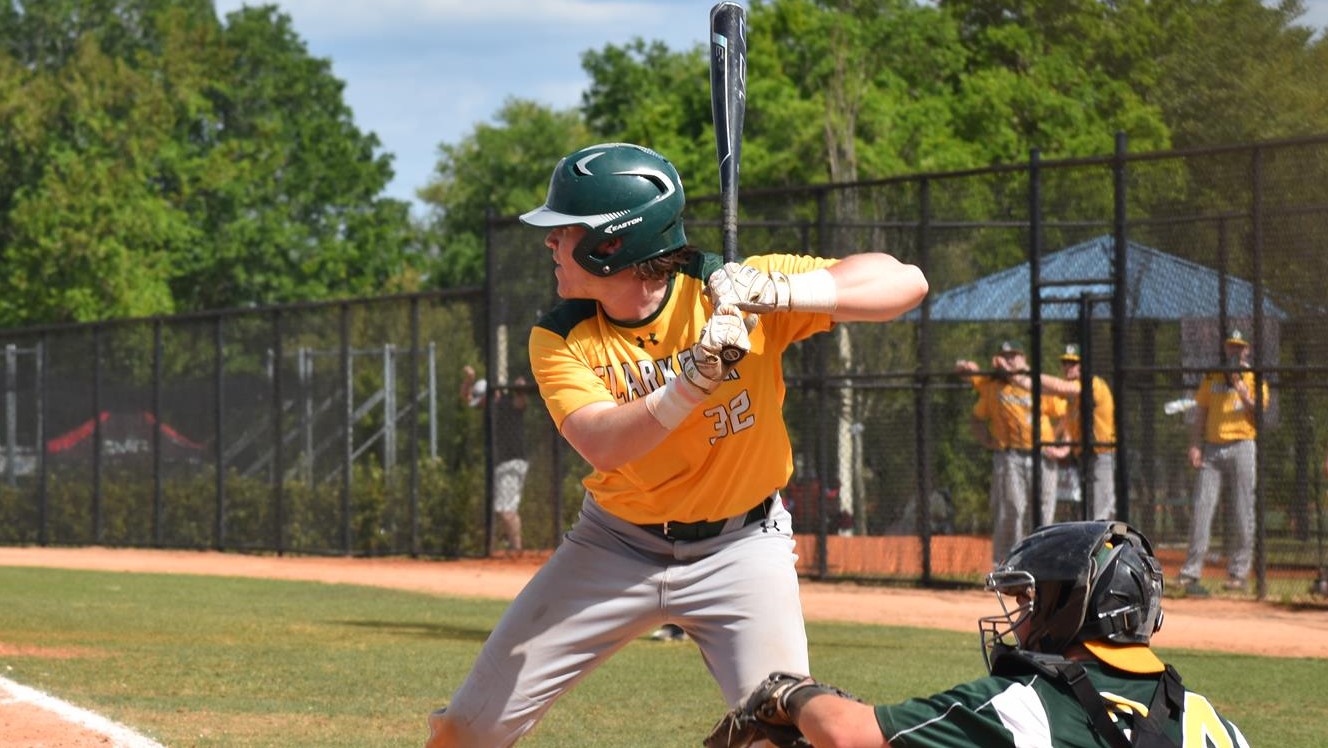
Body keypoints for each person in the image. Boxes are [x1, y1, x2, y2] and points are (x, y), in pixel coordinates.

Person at [423, 142, 929, 747]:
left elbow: (906, 281)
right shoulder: (559, 335)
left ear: (610, 244)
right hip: (614, 546)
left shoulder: (730, 288)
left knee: (779, 733)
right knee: (463, 733)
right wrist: (692, 380)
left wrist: (779, 293)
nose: (550, 243)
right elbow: (603, 442)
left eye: (565, 231)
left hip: (742, 548)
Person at [704, 520, 1249, 748]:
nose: (1021, 619)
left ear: (1073, 607)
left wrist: (788, 692)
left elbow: (848, 735)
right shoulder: (1216, 725)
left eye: (1030, 600)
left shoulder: (1027, 706)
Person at [956, 342, 1067, 566]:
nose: (1009, 361)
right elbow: (975, 413)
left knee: (1044, 511)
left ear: (1023, 359)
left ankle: (1041, 564)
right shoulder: (993, 386)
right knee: (1012, 510)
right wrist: (987, 440)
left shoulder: (1036, 384)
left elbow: (1066, 414)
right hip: (1010, 456)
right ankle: (1007, 565)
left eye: (1013, 356)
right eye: (1004, 356)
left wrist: (1060, 443)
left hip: (1043, 455)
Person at [1178, 329, 1269, 597]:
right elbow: (1201, 413)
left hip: (1242, 446)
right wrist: (1195, 444)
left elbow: (1259, 412)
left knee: (1243, 510)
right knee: (1201, 508)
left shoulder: (1255, 378)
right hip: (1213, 449)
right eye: (1231, 347)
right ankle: (1191, 572)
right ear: (1226, 348)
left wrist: (1240, 386)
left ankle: (1238, 575)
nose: (1235, 351)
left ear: (1247, 350)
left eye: (1239, 347)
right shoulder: (1212, 376)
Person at [1009, 343, 1118, 520]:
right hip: (1085, 458)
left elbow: (1060, 387)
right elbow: (1042, 389)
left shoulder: (1093, 384)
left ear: (1083, 366)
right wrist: (1016, 375)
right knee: (1092, 512)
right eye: (1065, 362)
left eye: (1072, 363)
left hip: (1102, 456)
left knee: (1100, 514)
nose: (1067, 367)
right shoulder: (1071, 400)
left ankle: (1109, 547)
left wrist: (1027, 369)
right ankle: (1103, 546)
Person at [461, 365, 529, 554]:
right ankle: (513, 546)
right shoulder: (489, 410)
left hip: (513, 461)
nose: (479, 405)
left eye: (481, 400)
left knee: (506, 508)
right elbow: (465, 398)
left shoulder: (506, 403)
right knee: (504, 507)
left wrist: (521, 388)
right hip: (503, 463)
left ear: (487, 396)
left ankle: (516, 548)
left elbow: (521, 402)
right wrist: (469, 379)